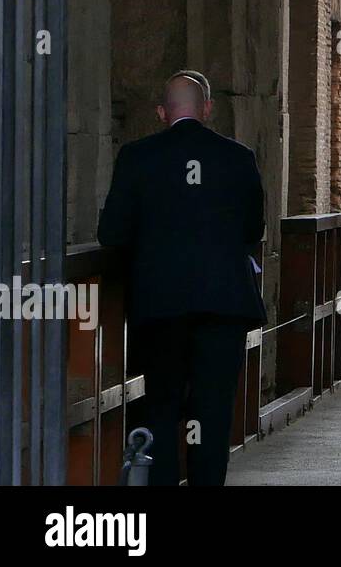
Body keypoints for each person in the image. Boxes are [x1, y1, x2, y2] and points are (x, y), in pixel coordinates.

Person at [97, 71, 266, 486]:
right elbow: (253, 230)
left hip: (160, 305)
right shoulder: (238, 157)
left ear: (160, 112)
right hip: (223, 304)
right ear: (207, 109)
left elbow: (112, 234)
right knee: (212, 411)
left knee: (159, 407)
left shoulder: (137, 156)